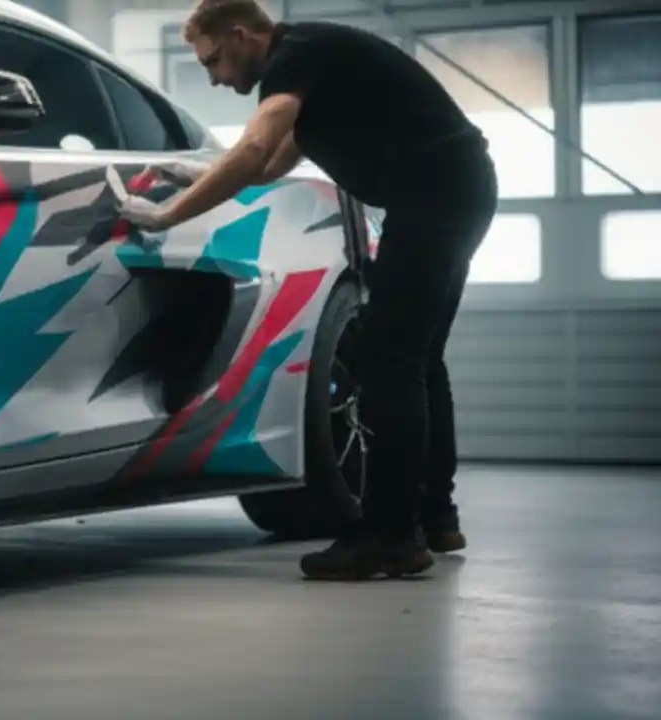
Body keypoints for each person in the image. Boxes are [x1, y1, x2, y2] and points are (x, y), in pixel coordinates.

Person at [115, 0, 497, 580]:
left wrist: (165, 216)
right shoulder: (314, 60)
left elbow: (252, 150)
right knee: (418, 360)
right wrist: (190, 175)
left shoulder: (294, 58)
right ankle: (435, 516)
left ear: (240, 36)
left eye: (212, 60)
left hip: (435, 196)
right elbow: (271, 164)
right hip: (457, 188)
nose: (213, 77)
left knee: (389, 360)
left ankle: (391, 537)